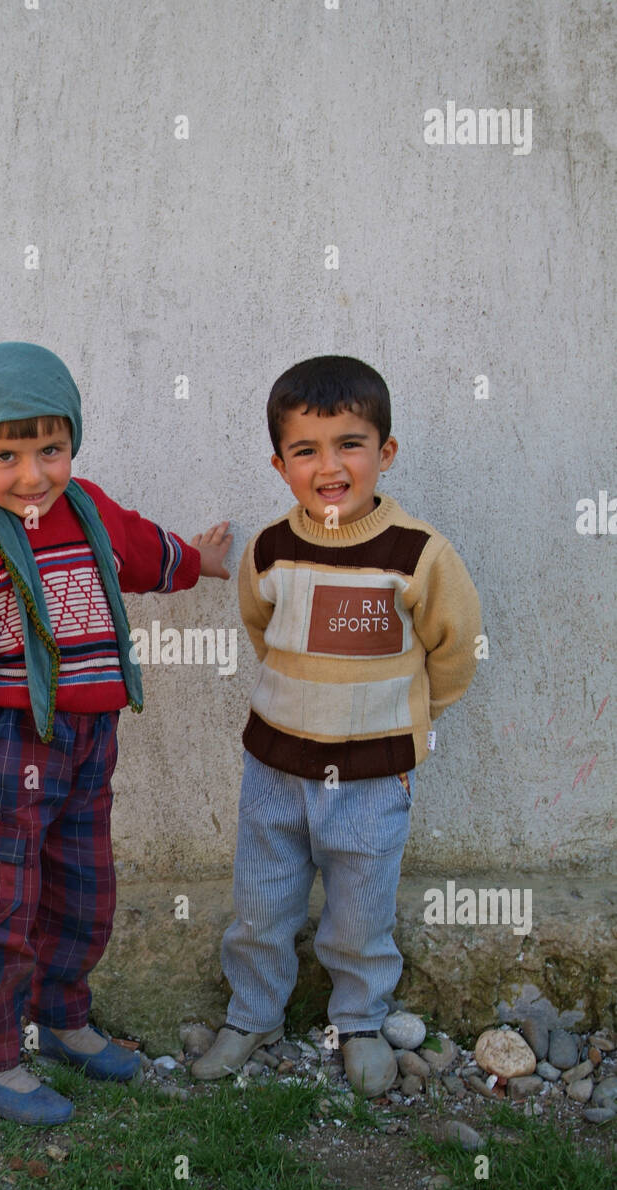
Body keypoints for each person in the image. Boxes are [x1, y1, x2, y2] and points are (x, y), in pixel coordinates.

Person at [0, 341, 231, 1124]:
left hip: (89, 742)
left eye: (50, 448)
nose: (33, 474)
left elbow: (141, 551)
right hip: (3, 745)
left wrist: (202, 560)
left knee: (82, 888)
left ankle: (60, 1020)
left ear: (72, 445)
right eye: (7, 454)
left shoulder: (86, 509)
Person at [193, 355, 482, 1097]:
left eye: (350, 444)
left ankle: (356, 1019)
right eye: (305, 449)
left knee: (358, 914)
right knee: (260, 906)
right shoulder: (269, 550)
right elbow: (263, 631)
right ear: (279, 463)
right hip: (275, 771)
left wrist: (409, 722)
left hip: (370, 775)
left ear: (383, 453)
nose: (330, 466)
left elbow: (453, 650)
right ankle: (253, 1012)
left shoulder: (417, 555)